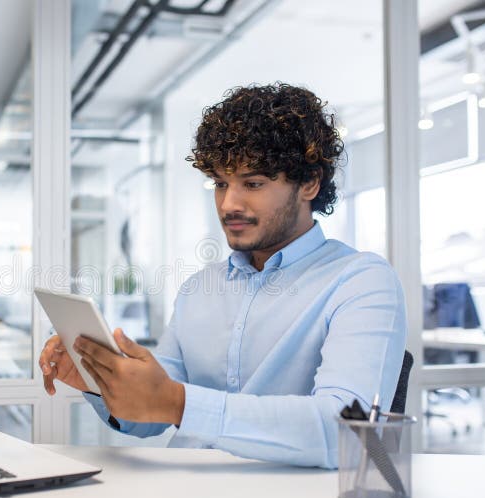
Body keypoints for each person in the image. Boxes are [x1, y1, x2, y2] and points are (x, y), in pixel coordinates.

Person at [39, 83, 406, 468]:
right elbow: (148, 415)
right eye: (220, 183)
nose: (229, 204)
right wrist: (100, 383)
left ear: (309, 183)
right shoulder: (199, 289)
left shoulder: (360, 282)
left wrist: (177, 402)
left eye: (253, 183)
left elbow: (347, 431)